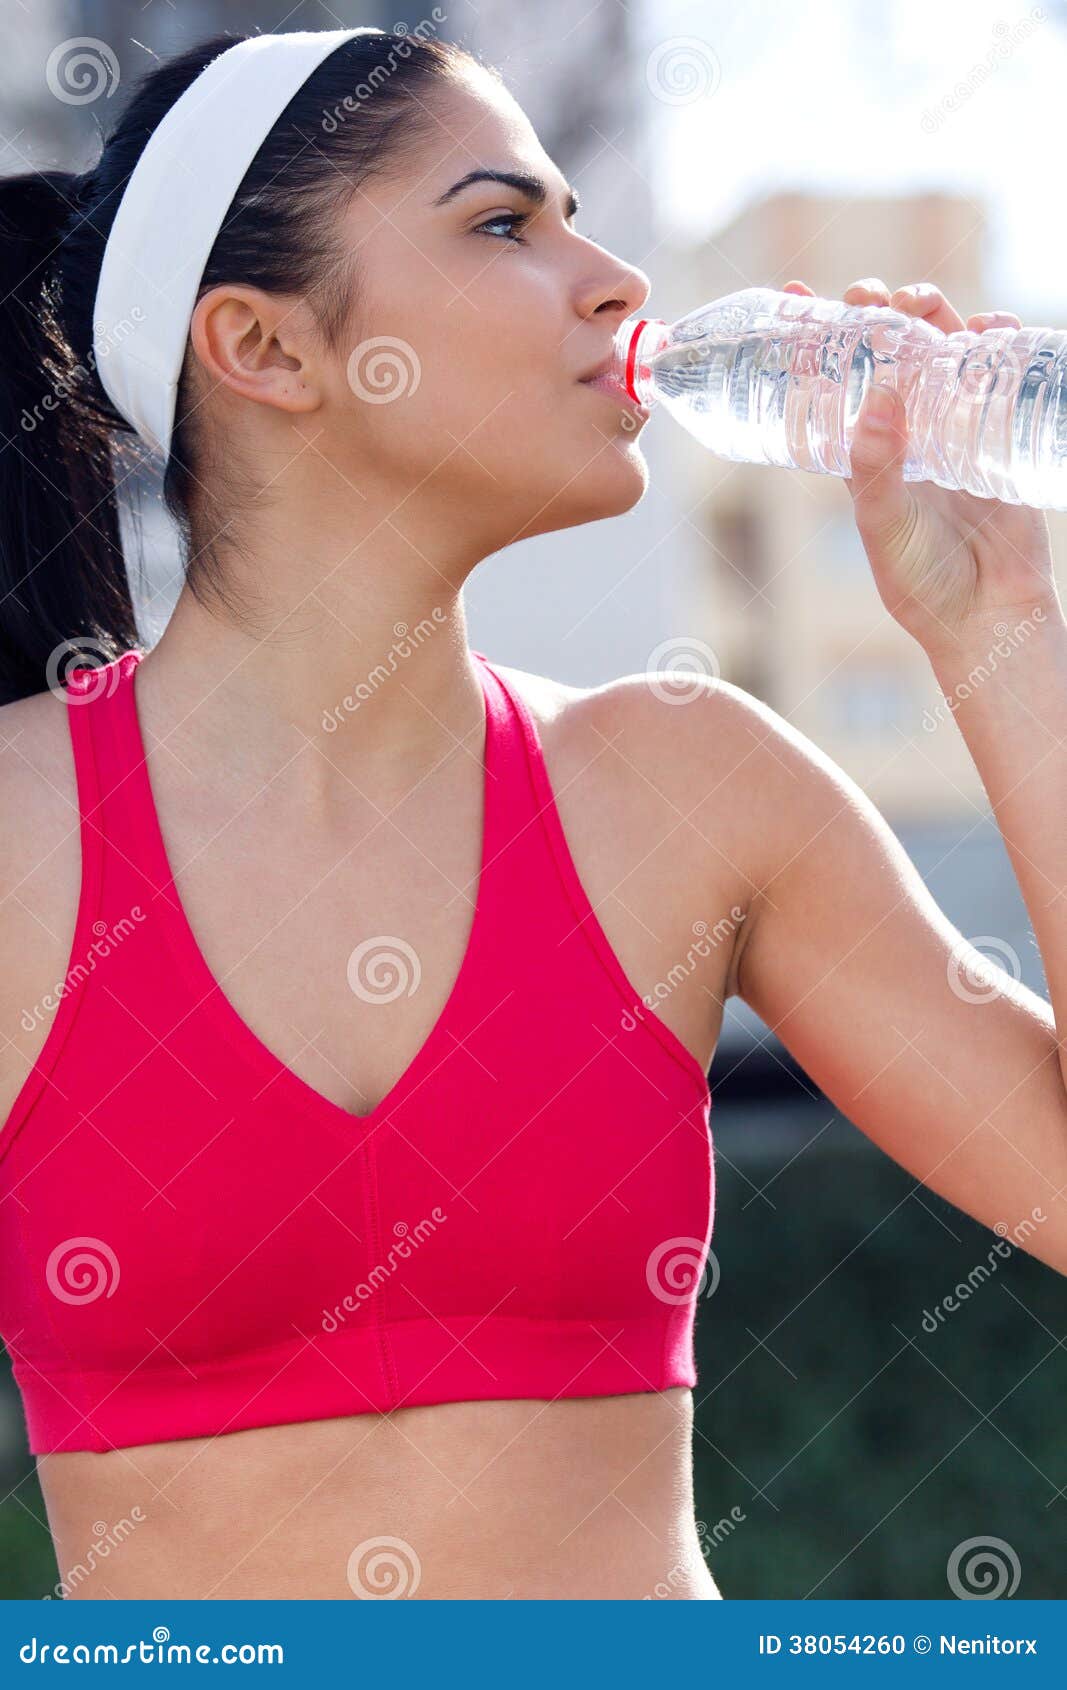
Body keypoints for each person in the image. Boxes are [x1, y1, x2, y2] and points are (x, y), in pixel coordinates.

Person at [0, 27, 1064, 1603]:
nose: (616, 278)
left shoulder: (698, 785)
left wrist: (998, 634)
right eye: (505, 224)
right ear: (267, 348)